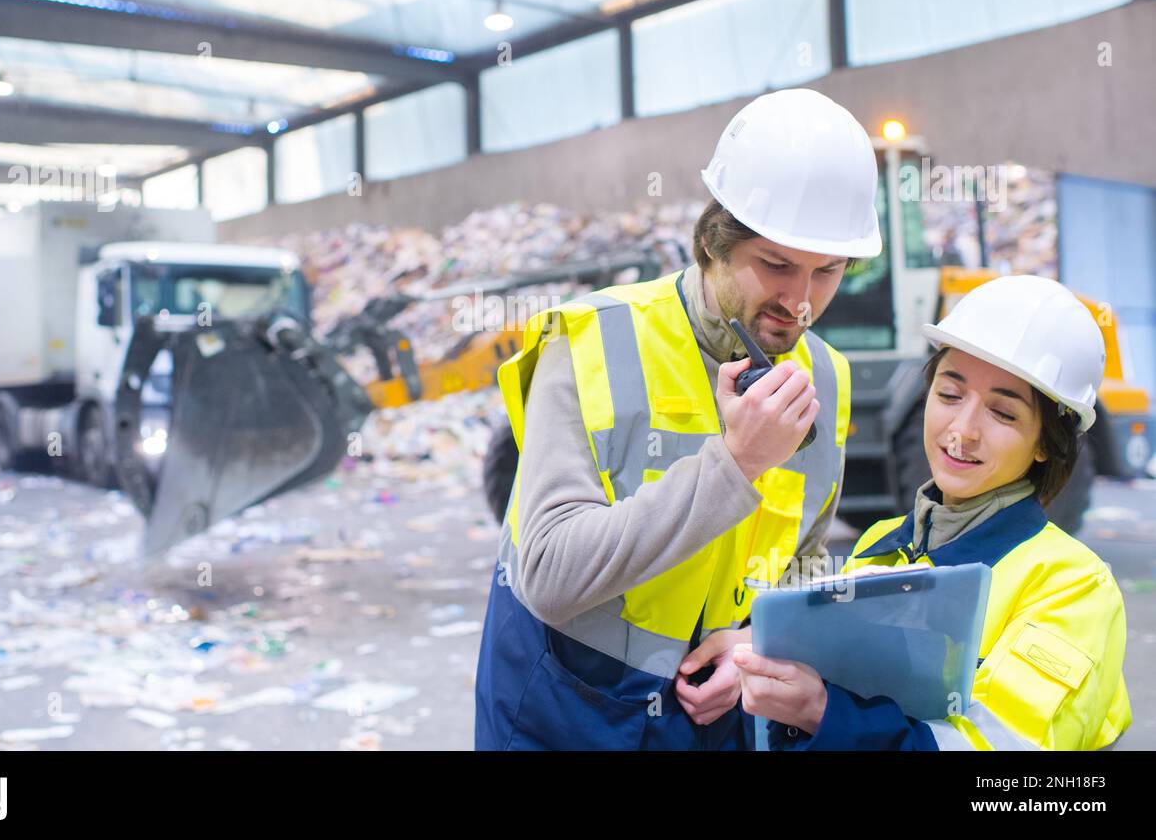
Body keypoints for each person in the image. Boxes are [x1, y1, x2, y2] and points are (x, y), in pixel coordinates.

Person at [474, 88, 881, 750]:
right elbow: (547, 575)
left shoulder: (825, 376)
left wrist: (757, 645)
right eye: (775, 265)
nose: (799, 303)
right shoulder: (590, 342)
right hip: (564, 708)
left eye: (827, 273)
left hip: (711, 721)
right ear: (711, 244)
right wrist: (737, 465)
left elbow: (803, 559)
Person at [724, 274, 1131, 750]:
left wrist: (821, 711)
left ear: (1046, 443)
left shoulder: (1073, 585)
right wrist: (756, 656)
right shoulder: (879, 548)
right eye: (949, 394)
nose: (963, 429)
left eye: (1003, 413)